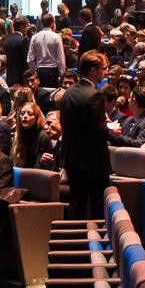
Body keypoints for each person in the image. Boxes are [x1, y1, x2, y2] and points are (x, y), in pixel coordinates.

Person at [58, 51, 113, 220]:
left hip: (71, 159)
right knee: (97, 206)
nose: (106, 72)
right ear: (93, 71)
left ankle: (74, 239)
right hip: (93, 162)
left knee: (77, 203)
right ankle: (97, 244)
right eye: (103, 68)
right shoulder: (94, 95)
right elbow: (98, 131)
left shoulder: (68, 93)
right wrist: (111, 129)